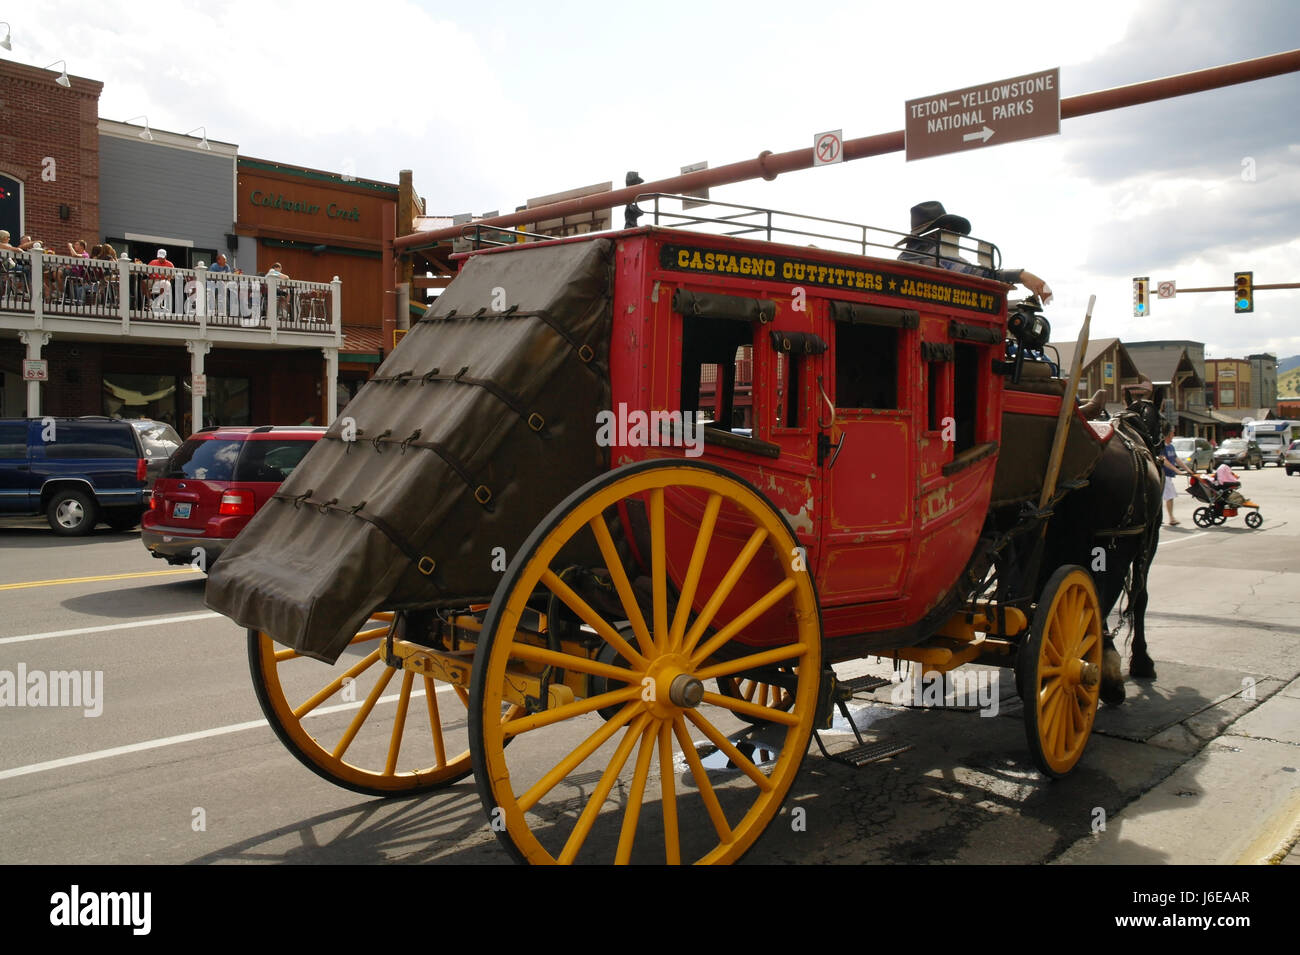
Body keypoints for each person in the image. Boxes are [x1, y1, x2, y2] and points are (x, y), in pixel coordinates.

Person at [897, 201, 1053, 302]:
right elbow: (979, 274)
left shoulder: (904, 257)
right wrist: (1021, 275)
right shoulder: (936, 254)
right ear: (935, 232)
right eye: (949, 229)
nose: (953, 234)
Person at [1160, 427, 1195, 525]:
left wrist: (1187, 469)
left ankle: (1159, 518)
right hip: (1163, 475)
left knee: (1163, 497)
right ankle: (1171, 518)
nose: (1173, 436)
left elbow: (1176, 459)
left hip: (1169, 476)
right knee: (1170, 496)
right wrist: (1177, 470)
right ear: (1168, 435)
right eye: (1172, 434)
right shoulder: (1162, 446)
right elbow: (1164, 460)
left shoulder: (1171, 446)